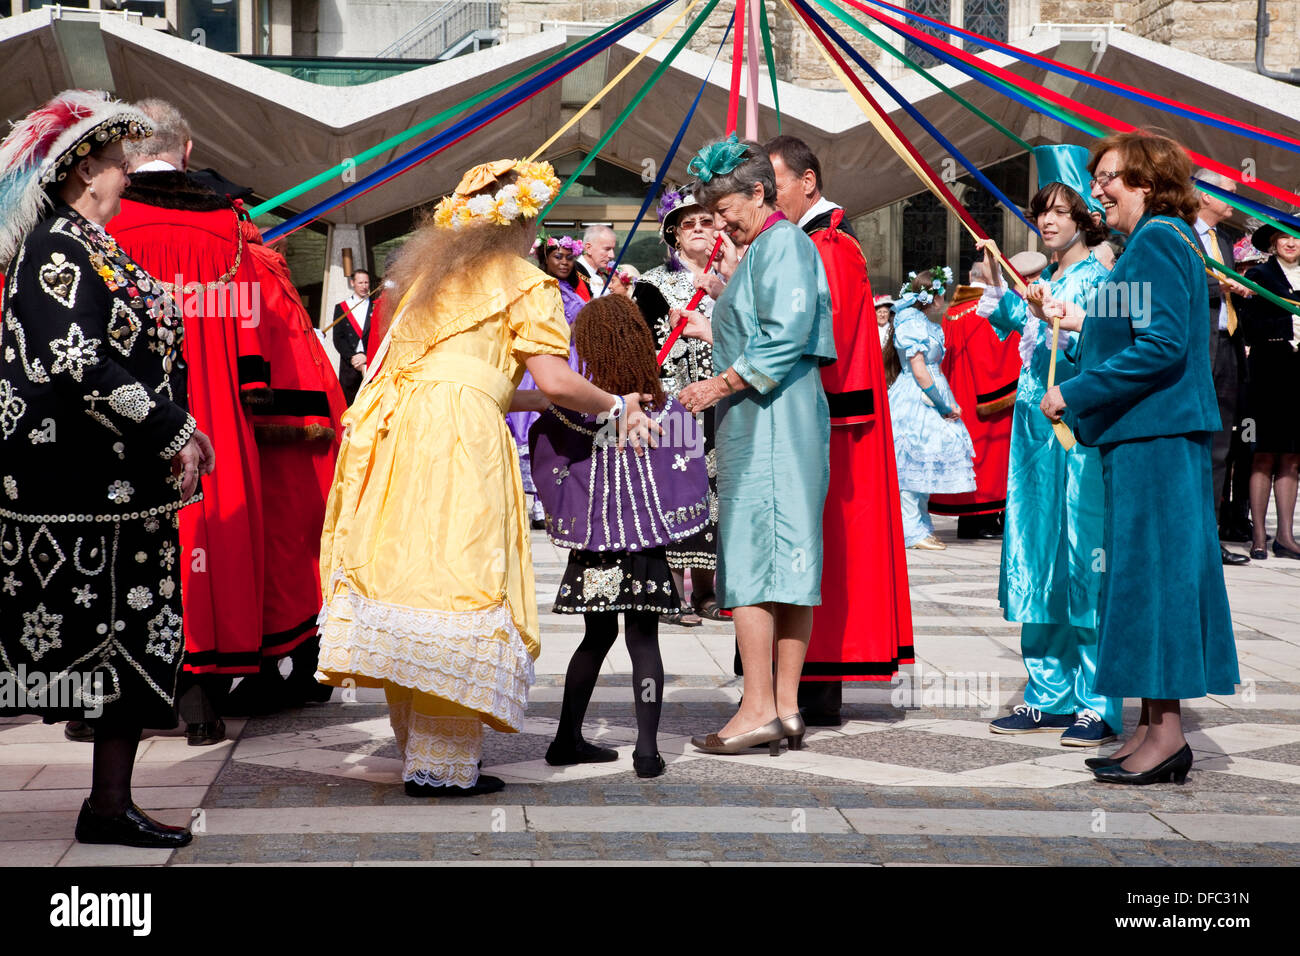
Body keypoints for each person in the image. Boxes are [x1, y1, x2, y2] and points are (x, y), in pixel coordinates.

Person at [315, 159, 658, 796]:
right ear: (521, 223)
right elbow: (551, 379)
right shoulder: (523, 279)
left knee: (409, 575)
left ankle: (419, 743)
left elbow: (486, 384)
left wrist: (562, 400)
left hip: (401, 435)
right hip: (460, 442)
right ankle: (442, 766)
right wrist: (613, 404)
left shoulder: (427, 279)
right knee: (459, 577)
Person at [0, 90, 214, 846]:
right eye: (122, 163)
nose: (129, 174)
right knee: (43, 654)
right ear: (85, 168)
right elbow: (77, 361)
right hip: (75, 492)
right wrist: (173, 429)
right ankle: (108, 804)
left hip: (117, 494)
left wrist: (178, 431)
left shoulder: (93, 245)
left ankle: (108, 806)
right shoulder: (58, 248)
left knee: (126, 642)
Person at [1043, 130, 1239, 785]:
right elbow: (1127, 323)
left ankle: (1168, 736)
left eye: (1109, 179)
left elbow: (1159, 346)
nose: (1097, 189)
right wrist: (1077, 323)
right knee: (1145, 581)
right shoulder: (1161, 241)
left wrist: (1072, 391)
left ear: (1148, 184)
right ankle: (1153, 728)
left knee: (1155, 583)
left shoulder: (1155, 240)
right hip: (1146, 437)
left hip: (1155, 439)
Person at [108, 98, 265, 743]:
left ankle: (109, 708)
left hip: (128, 407)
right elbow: (257, 324)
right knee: (208, 540)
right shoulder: (230, 223)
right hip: (214, 406)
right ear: (189, 148)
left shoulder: (101, 220)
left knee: (122, 545)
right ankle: (201, 702)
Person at [677, 136, 836, 756]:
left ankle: (757, 707)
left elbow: (786, 332)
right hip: (777, 418)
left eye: (725, 210)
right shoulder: (771, 248)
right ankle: (786, 708)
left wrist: (719, 383)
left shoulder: (782, 244)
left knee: (748, 563)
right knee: (791, 567)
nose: (720, 223)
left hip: (767, 422)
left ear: (756, 193)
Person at [976, 143, 1121, 747]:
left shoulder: (1103, 279)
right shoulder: (1052, 276)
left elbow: (1108, 355)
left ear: (1087, 216)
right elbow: (1029, 333)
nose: (1050, 221)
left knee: (1084, 556)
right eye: (1042, 212)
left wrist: (1065, 320)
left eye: (1062, 211)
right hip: (1034, 436)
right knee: (1036, 555)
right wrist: (1006, 297)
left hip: (1077, 434)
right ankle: (1046, 691)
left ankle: (1097, 698)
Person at [766, 134, 912, 726]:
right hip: (818, 423)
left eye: (773, 187)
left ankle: (814, 686)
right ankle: (798, 686)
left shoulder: (827, 249)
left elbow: (834, 345)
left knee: (822, 551)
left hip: (826, 428)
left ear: (808, 182)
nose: (768, 200)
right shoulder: (809, 244)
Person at [531, 295, 709, 777]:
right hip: (646, 545)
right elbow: (689, 467)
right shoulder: (664, 409)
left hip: (594, 547)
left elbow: (546, 452)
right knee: (644, 641)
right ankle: (647, 751)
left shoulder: (578, 411)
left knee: (595, 638)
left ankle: (566, 736)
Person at [633, 189, 727, 626]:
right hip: (674, 403)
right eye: (687, 224)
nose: (698, 230)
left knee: (715, 493)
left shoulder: (736, 277)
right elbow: (638, 345)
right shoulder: (652, 282)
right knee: (677, 488)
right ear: (673, 235)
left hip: (724, 398)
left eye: (706, 222)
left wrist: (722, 292)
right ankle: (671, 589)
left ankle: (707, 590)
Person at [929, 260, 1020, 540]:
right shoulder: (984, 309)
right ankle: (983, 519)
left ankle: (968, 520)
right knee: (987, 458)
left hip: (959, 394)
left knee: (969, 458)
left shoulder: (952, 311)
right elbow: (994, 354)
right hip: (985, 394)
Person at [888, 269, 976, 549]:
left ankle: (919, 526)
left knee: (924, 462)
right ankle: (910, 529)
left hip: (932, 390)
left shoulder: (922, 321)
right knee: (912, 461)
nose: (945, 299)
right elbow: (919, 370)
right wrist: (941, 404)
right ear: (933, 296)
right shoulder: (911, 323)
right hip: (917, 395)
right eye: (942, 293)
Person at [1193, 169, 1253, 566]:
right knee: (1192, 446)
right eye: (1226, 191)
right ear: (1202, 195)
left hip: (1228, 348)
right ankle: (1189, 537)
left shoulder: (1226, 241)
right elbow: (1183, 283)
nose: (1232, 197)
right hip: (1196, 351)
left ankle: (1211, 538)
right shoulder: (1180, 235)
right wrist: (1222, 285)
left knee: (1221, 448)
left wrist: (1243, 289)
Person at [507, 234, 585, 527]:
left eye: (569, 257)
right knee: (537, 427)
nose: (564, 262)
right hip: (544, 365)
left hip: (572, 362)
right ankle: (538, 503)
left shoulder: (573, 288)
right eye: (558, 257)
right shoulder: (539, 289)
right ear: (545, 258)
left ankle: (555, 499)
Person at [1241, 221, 1300, 560]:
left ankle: (1286, 537)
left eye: (1296, 237)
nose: (1290, 243)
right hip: (1267, 370)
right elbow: (1249, 325)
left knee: (1292, 456)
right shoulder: (1260, 276)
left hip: (1298, 373)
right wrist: (1288, 323)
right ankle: (1260, 535)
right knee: (1262, 452)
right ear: (1273, 243)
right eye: (1283, 237)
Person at [332, 268, 373, 405]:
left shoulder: (376, 306)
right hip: (349, 366)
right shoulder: (342, 307)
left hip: (371, 363)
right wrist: (353, 358)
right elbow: (338, 338)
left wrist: (366, 356)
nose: (364, 286)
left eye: (366, 283)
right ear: (352, 283)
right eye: (360, 282)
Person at [575, 224, 617, 296]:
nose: (612, 255)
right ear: (589, 248)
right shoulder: (572, 274)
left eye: (613, 249)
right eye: (607, 249)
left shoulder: (603, 276)